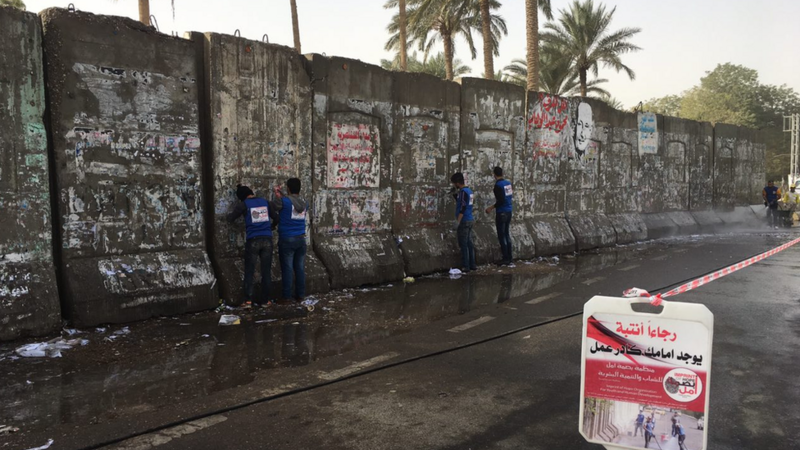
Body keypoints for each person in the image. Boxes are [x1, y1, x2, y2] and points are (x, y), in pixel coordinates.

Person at [227, 185, 273, 307]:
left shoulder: (244, 204)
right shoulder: (265, 202)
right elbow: (276, 217)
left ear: (242, 197)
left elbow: (231, 218)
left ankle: (248, 300)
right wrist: (270, 228)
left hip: (253, 240)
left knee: (249, 271)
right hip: (267, 240)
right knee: (266, 272)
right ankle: (265, 300)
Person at [271, 178, 308, 304]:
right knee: (300, 268)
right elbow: (294, 204)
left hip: (287, 239)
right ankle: (300, 295)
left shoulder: (284, 201)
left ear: (288, 188)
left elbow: (275, 206)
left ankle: (287, 297)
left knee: (287, 268)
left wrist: (276, 195)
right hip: (301, 239)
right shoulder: (304, 203)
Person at [484, 166, 513, 265]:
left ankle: (505, 258)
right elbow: (508, 197)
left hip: (502, 212)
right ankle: (509, 257)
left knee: (502, 236)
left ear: (494, 175)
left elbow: (500, 200)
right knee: (507, 234)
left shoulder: (498, 186)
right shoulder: (508, 183)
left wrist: (491, 208)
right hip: (509, 211)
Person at [451, 172, 477, 273]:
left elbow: (462, 207)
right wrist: (455, 195)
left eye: (454, 183)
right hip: (469, 218)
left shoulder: (462, 192)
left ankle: (466, 265)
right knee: (469, 243)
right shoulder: (469, 191)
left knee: (464, 244)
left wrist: (458, 221)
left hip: (464, 220)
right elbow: (463, 202)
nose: (454, 185)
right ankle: (472, 264)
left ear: (457, 183)